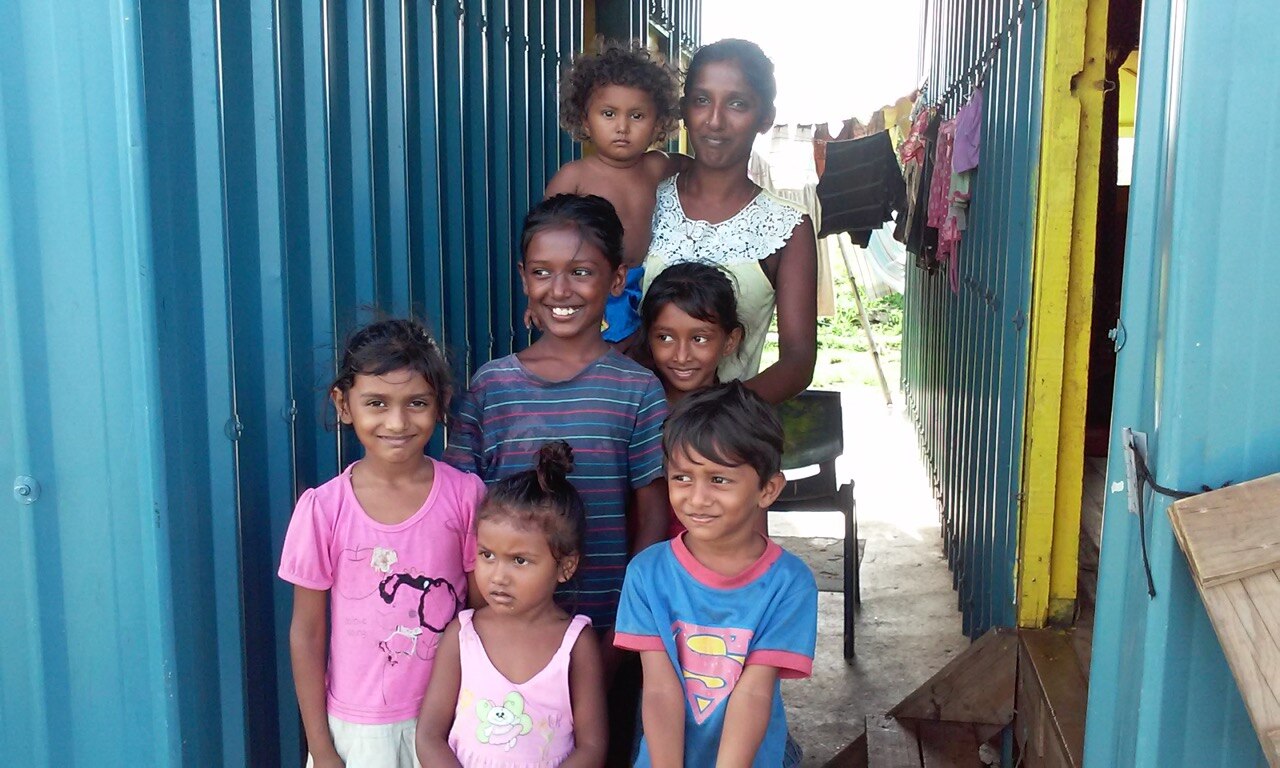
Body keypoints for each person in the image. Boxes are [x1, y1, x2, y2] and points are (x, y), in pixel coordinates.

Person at [445, 194, 669, 645]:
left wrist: (625, 628)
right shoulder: (490, 388)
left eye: (581, 272)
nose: (560, 289)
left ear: (617, 280)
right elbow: (459, 514)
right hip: (501, 634)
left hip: (605, 627)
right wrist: (476, 621)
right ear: (523, 278)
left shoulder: (638, 389)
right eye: (541, 272)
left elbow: (652, 518)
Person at [279, 318, 487, 768]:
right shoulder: (322, 509)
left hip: (451, 720)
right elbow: (307, 632)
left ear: (441, 404)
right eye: (376, 402)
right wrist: (320, 744)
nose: (397, 422)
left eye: (416, 403)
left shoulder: (466, 496)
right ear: (344, 404)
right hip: (358, 731)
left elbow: (482, 614)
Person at [614, 382, 819, 766]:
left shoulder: (789, 583)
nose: (697, 498)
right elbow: (659, 690)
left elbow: (755, 693)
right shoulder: (647, 574)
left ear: (767, 489)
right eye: (682, 477)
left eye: (719, 479)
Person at [642, 39, 818, 404]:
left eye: (737, 103)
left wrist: (707, 418)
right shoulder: (645, 200)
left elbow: (798, 362)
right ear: (684, 109)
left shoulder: (787, 228)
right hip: (629, 434)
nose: (715, 120)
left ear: (765, 117)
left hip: (720, 447)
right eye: (702, 100)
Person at [416, 441, 608, 767]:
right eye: (487, 555)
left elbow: (592, 747)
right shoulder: (463, 635)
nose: (498, 576)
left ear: (565, 566)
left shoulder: (575, 644)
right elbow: (429, 734)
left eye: (519, 560)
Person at [546, 39, 685, 349]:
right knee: (601, 359)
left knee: (650, 359)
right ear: (585, 119)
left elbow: (704, 171)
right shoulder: (574, 176)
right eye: (608, 114)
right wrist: (539, 297)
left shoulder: (656, 167)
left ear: (658, 122)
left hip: (649, 285)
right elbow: (541, 243)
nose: (622, 127)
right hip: (596, 288)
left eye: (637, 116)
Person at [639, 261, 744, 403]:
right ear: (649, 336)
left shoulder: (740, 420)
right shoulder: (629, 411)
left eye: (699, 339)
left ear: (730, 341)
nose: (682, 357)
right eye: (665, 338)